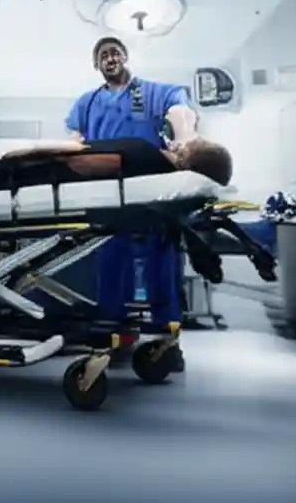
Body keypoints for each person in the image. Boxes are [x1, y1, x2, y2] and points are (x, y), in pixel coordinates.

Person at [65, 37, 199, 367]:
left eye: (115, 52)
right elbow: (74, 143)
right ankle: (115, 337)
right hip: (106, 190)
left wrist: (185, 140)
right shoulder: (86, 102)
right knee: (111, 261)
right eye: (102, 55)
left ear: (125, 57)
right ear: (96, 65)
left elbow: (180, 112)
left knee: (161, 263)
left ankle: (167, 342)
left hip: (150, 189)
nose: (110, 58)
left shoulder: (154, 92)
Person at [0, 135, 233, 205]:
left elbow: (83, 161)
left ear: (187, 162)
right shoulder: (155, 170)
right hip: (45, 179)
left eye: (187, 147)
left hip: (39, 177)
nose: (179, 143)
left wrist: (31, 152)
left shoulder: (144, 153)